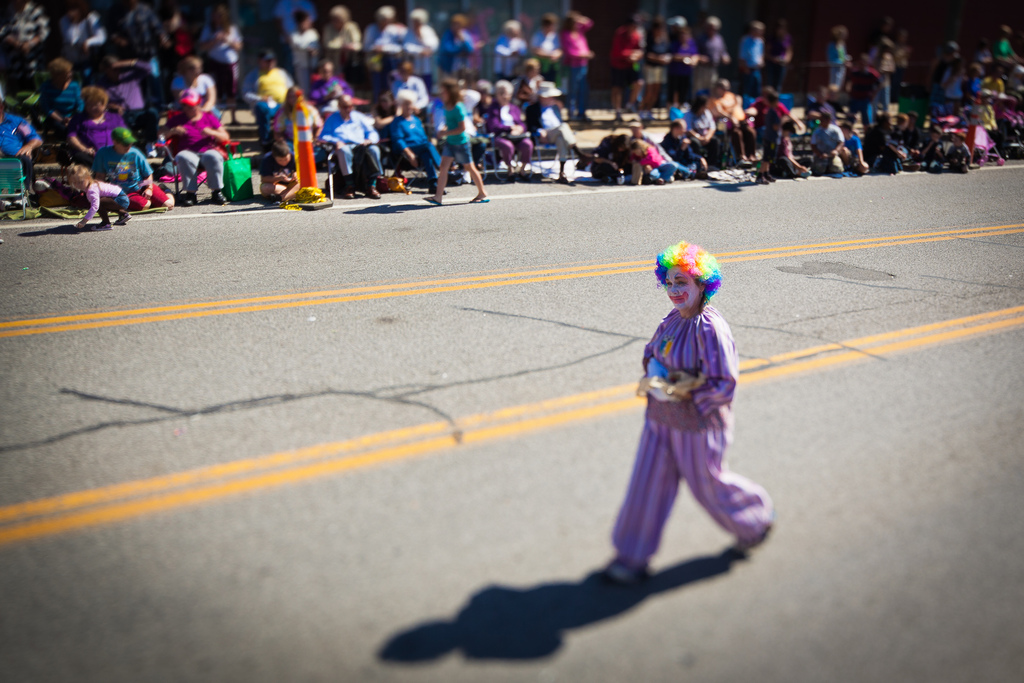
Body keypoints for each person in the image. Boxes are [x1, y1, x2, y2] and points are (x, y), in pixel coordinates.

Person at [605, 241, 774, 584]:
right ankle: (630, 559)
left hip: (697, 427)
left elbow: (724, 384)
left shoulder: (710, 328)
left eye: (682, 282)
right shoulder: (671, 318)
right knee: (646, 486)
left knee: (708, 487)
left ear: (702, 284)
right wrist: (654, 369)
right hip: (659, 421)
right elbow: (652, 350)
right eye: (668, 282)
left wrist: (683, 398)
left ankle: (754, 523)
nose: (673, 290)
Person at [161, 88, 229, 206]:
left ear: (198, 104)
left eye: (190, 105)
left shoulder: (208, 117)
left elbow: (225, 136)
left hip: (207, 151)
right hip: (188, 152)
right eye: (184, 105)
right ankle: (190, 194)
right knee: (184, 157)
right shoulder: (178, 119)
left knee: (214, 156)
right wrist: (173, 131)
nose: (187, 108)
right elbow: (160, 134)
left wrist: (212, 132)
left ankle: (217, 192)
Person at [425, 78, 487, 206]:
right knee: (443, 167)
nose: (441, 93)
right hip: (450, 142)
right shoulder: (447, 105)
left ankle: (482, 193)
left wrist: (444, 133)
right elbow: (451, 124)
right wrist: (444, 129)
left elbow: (461, 128)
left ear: (450, 91)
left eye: (444, 90)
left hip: (461, 143)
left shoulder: (458, 107)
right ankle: (438, 197)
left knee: (470, 167)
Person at [93, 126, 173, 210]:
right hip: (123, 191)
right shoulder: (103, 153)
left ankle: (166, 191)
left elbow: (148, 173)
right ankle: (149, 201)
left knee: (169, 205)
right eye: (125, 143)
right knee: (144, 205)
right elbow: (99, 176)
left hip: (141, 185)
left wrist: (149, 188)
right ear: (115, 142)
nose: (129, 145)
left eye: (130, 142)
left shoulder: (135, 153)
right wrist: (97, 192)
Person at [319, 94, 382, 200]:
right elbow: (323, 135)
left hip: (360, 145)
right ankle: (350, 185)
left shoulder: (359, 117)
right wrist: (336, 141)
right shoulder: (332, 118)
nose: (348, 109)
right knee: (344, 151)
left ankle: (372, 185)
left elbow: (372, 132)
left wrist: (370, 140)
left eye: (350, 106)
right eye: (345, 106)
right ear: (339, 106)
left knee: (374, 149)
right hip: (342, 146)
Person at [525, 81, 589, 184]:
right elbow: (530, 126)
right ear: (542, 97)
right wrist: (540, 131)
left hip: (557, 133)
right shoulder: (531, 109)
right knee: (563, 127)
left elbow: (559, 122)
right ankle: (579, 154)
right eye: (550, 96)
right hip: (545, 135)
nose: (552, 98)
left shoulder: (555, 108)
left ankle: (561, 173)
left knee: (561, 137)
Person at [109, 0, 169, 109]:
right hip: (128, 55)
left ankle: (160, 107)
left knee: (154, 79)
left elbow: (158, 28)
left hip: (148, 52)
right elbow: (111, 33)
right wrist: (117, 39)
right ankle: (139, 108)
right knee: (135, 84)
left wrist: (163, 38)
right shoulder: (115, 11)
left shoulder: (145, 9)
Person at [96, 56, 159, 146]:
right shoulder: (101, 84)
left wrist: (127, 62)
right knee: (112, 119)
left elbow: (148, 67)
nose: (117, 71)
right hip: (120, 114)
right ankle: (126, 145)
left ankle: (151, 144)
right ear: (106, 70)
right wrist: (111, 106)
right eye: (114, 69)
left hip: (139, 113)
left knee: (153, 112)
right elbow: (98, 102)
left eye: (119, 69)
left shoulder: (131, 76)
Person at [198, 4, 242, 124]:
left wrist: (227, 40)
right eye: (215, 15)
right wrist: (214, 40)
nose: (217, 18)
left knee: (231, 92)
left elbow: (239, 46)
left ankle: (233, 118)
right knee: (215, 91)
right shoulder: (208, 29)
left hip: (230, 63)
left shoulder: (232, 29)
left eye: (220, 15)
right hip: (215, 62)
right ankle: (216, 118)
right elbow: (202, 46)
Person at [240, 50, 294, 149]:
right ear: (259, 61)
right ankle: (266, 141)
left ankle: (289, 139)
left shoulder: (282, 73)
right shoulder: (253, 75)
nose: (270, 63)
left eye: (272, 60)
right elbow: (245, 93)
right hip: (266, 104)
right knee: (261, 108)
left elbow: (291, 88)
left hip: (284, 104)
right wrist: (260, 98)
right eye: (267, 60)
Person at [388, 90, 439, 190]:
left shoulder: (416, 120)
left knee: (426, 154)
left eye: (410, 104)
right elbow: (398, 140)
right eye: (406, 104)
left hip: (421, 147)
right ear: (401, 105)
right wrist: (409, 153)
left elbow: (423, 137)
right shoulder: (397, 121)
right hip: (405, 149)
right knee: (428, 146)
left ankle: (433, 183)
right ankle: (443, 167)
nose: (409, 107)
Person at [485, 80, 533, 180]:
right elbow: (493, 126)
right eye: (501, 93)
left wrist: (520, 129)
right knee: (508, 146)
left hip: (516, 135)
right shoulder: (492, 108)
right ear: (497, 94)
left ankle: (522, 170)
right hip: (500, 136)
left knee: (527, 144)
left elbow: (521, 123)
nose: (505, 96)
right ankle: (510, 171)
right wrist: (510, 128)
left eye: (507, 94)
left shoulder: (514, 108)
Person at [65, 86, 125, 167]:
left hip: (113, 154)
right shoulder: (77, 119)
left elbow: (125, 135)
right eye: (89, 105)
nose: (92, 108)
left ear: (104, 104)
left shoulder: (115, 118)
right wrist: (85, 149)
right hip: (90, 156)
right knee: (79, 156)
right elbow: (71, 138)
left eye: (96, 105)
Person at [0, 0, 50, 93]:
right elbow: (2, 32)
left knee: (37, 89)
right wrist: (17, 44)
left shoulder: (36, 11)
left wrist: (30, 44)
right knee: (19, 92)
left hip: (34, 61)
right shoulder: (6, 12)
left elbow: (44, 32)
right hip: (14, 62)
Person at [68, 162, 130, 229]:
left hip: (121, 199)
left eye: (81, 182)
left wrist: (84, 221)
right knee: (102, 202)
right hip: (121, 198)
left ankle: (106, 223)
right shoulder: (92, 185)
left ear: (88, 178)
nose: (78, 185)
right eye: (75, 183)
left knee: (98, 203)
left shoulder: (92, 190)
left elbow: (95, 207)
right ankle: (123, 214)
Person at [708, 79, 756, 163]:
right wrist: (731, 118)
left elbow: (737, 103)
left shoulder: (730, 96)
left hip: (740, 120)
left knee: (751, 132)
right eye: (723, 88)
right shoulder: (714, 99)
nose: (726, 90)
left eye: (727, 88)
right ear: (718, 88)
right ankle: (741, 156)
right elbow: (718, 112)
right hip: (728, 123)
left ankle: (751, 155)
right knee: (737, 133)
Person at [363, 5, 404, 101]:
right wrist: (374, 48)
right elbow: (365, 46)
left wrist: (385, 48)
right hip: (376, 60)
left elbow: (400, 47)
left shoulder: (396, 29)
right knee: (377, 85)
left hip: (391, 60)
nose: (384, 22)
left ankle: (393, 105)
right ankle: (378, 105)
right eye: (382, 20)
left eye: (386, 20)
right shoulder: (371, 29)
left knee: (392, 84)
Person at [37, 57, 83, 139]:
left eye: (70, 72)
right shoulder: (46, 86)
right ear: (56, 75)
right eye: (66, 73)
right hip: (55, 118)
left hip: (73, 116)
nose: (70, 74)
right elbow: (46, 108)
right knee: (64, 129)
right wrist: (62, 120)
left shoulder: (74, 86)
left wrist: (72, 118)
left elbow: (80, 104)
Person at [610, 14, 644, 122]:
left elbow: (640, 50)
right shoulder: (620, 33)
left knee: (638, 83)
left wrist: (636, 55)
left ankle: (630, 104)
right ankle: (618, 111)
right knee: (617, 88)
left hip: (631, 65)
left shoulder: (637, 35)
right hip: (618, 65)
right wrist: (631, 55)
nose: (634, 28)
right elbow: (617, 52)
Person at [0, 97, 40, 188]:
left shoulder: (17, 122)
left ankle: (22, 192)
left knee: (25, 159)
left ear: (1, 107)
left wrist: (29, 146)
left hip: (15, 155)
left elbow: (35, 138)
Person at [560, 11, 593, 122]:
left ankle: (581, 112)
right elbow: (569, 52)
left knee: (583, 89)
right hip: (572, 66)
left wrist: (579, 18)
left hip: (583, 65)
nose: (577, 24)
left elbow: (589, 23)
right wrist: (584, 54)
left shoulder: (579, 32)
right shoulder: (565, 34)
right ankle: (571, 113)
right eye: (574, 22)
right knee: (572, 90)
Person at [59, 0, 105, 78]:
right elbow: (70, 39)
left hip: (88, 61)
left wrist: (88, 42)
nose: (71, 12)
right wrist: (74, 22)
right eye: (69, 9)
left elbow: (102, 37)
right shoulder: (64, 21)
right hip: (71, 61)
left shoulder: (90, 18)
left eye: (74, 9)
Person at [639, 18, 671, 120]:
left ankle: (649, 110)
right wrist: (659, 59)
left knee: (656, 91)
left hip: (661, 68)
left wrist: (666, 58)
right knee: (649, 91)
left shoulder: (664, 39)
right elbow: (647, 55)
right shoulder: (649, 38)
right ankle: (641, 110)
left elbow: (667, 51)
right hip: (650, 67)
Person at [322, 5, 361, 83]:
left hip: (349, 62)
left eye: (337, 19)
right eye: (333, 19)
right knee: (335, 83)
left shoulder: (351, 27)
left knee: (349, 84)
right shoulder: (328, 28)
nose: (335, 22)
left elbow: (357, 44)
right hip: (334, 62)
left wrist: (351, 46)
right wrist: (342, 46)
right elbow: (327, 44)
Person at [401, 8, 437, 93]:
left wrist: (421, 37)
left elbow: (433, 45)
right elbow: (406, 46)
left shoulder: (427, 30)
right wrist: (419, 51)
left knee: (427, 86)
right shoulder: (409, 32)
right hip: (414, 64)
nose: (415, 23)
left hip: (426, 64)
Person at [694, 16, 729, 96]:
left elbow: (723, 51)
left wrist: (725, 57)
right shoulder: (701, 38)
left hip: (713, 69)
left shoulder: (719, 39)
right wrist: (700, 57)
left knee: (712, 90)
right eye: (710, 28)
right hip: (702, 69)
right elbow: (694, 52)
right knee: (699, 90)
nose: (712, 30)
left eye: (714, 28)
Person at [667, 22, 698, 109]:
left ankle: (680, 109)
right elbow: (673, 56)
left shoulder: (691, 43)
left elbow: (695, 55)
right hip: (675, 72)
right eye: (682, 35)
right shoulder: (675, 44)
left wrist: (693, 60)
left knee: (683, 92)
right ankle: (670, 109)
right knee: (673, 92)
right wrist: (685, 57)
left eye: (685, 35)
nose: (683, 37)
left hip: (686, 72)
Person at [682, 94, 719, 165]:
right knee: (695, 143)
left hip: (705, 137)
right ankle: (699, 163)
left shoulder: (707, 113)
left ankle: (711, 164)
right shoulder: (688, 114)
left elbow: (712, 127)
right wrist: (699, 138)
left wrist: (707, 137)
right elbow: (688, 129)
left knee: (715, 141)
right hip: (693, 137)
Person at [289, 9, 319, 93]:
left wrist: (313, 50)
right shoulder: (294, 34)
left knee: (315, 88)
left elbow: (316, 46)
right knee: (304, 88)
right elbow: (297, 45)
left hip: (313, 66)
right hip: (301, 67)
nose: (309, 22)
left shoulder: (313, 33)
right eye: (307, 21)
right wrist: (308, 48)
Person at [754, 88, 781, 184]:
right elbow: (775, 127)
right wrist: (782, 124)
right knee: (766, 158)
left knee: (769, 157)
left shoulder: (769, 111)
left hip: (769, 137)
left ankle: (766, 173)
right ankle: (760, 175)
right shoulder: (773, 112)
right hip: (771, 138)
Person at [809, 110, 848, 175]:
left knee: (836, 168)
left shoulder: (836, 130)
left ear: (829, 120)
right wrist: (819, 154)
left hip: (832, 155)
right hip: (821, 156)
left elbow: (841, 142)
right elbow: (813, 145)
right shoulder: (817, 131)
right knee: (820, 169)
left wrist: (835, 150)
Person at [846, 54, 880, 125]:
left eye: (864, 63)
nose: (862, 65)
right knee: (850, 120)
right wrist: (848, 91)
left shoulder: (872, 73)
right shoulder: (854, 72)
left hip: (866, 99)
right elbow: (848, 81)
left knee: (867, 120)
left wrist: (873, 94)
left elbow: (879, 84)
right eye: (861, 63)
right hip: (854, 98)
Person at [437, 13, 473, 79]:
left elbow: (470, 49)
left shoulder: (465, 34)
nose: (455, 27)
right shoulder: (448, 34)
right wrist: (460, 50)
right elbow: (447, 49)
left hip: (463, 66)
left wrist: (463, 41)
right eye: (454, 24)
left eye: (458, 25)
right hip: (448, 66)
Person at [530, 13, 561, 83]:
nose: (554, 27)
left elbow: (559, 49)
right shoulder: (537, 36)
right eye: (553, 25)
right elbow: (535, 50)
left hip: (552, 66)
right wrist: (549, 55)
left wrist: (557, 54)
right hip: (540, 66)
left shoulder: (554, 36)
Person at [737, 20, 765, 99]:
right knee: (746, 92)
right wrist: (745, 69)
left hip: (757, 70)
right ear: (752, 30)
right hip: (747, 69)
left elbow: (761, 54)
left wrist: (762, 61)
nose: (761, 32)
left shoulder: (760, 41)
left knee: (756, 91)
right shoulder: (745, 40)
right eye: (759, 30)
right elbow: (741, 56)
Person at [764, 19, 791, 91]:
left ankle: (775, 100)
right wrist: (773, 58)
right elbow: (766, 52)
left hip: (782, 64)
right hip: (771, 63)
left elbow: (789, 51)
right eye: (779, 28)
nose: (781, 30)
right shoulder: (772, 38)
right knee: (770, 83)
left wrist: (786, 60)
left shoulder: (787, 38)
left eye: (783, 28)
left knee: (778, 85)